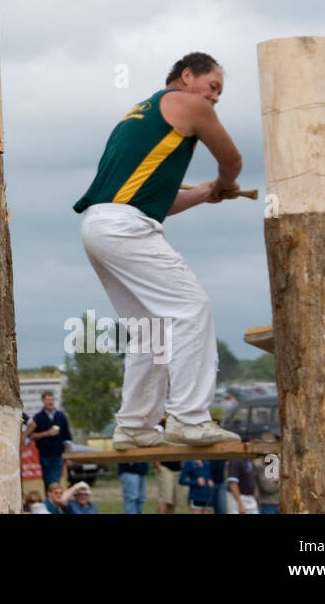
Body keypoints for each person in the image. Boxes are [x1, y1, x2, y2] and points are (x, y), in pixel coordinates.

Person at [75, 53, 244, 449]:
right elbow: (232, 158)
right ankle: (189, 418)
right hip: (125, 227)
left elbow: (153, 201)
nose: (214, 99)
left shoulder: (141, 114)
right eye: (213, 87)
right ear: (187, 76)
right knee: (192, 308)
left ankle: (135, 425)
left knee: (151, 329)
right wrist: (226, 181)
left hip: (104, 223)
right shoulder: (189, 103)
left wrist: (205, 193)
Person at [22, 392, 73, 485]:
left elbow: (67, 438)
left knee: (55, 479)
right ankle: (50, 498)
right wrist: (47, 433)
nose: (50, 402)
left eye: (52, 400)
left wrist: (69, 455)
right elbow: (32, 436)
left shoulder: (61, 416)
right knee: (47, 480)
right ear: (43, 401)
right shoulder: (38, 417)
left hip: (58, 454)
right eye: (48, 400)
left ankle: (53, 497)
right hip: (44, 455)